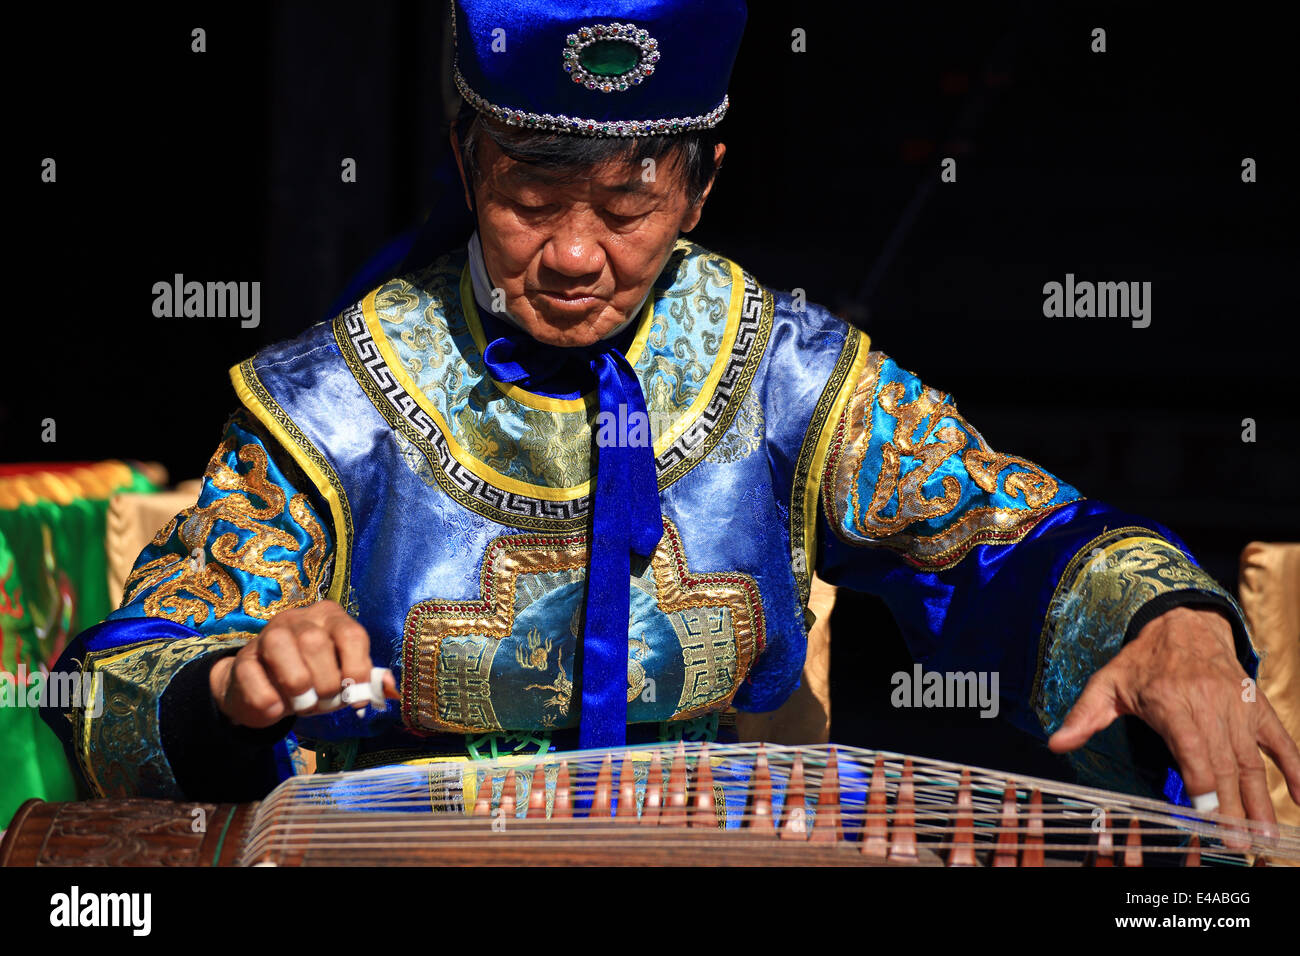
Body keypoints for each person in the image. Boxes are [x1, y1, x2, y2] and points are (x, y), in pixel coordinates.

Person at [42, 0, 1300, 834]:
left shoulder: (786, 371)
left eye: (629, 202)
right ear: (467, 157)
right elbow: (107, 693)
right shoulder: (339, 401)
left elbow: (1004, 537)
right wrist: (232, 688)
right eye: (532, 194)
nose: (579, 252)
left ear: (703, 180)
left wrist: (1163, 616)